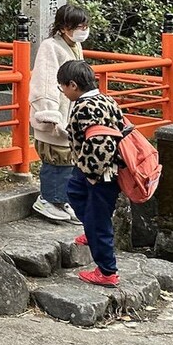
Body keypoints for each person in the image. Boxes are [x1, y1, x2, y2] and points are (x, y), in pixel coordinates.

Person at [58, 59, 126, 287]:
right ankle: (91, 231)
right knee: (74, 193)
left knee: (99, 221)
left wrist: (92, 173)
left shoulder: (85, 107)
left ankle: (107, 271)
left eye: (62, 86)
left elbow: (102, 143)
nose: (63, 91)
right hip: (94, 168)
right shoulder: (106, 99)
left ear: (73, 85)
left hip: (100, 172)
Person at [28, 3, 89, 223]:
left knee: (69, 158)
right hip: (55, 112)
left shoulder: (75, 46)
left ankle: (62, 200)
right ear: (63, 27)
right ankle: (47, 199)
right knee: (55, 157)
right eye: (78, 26)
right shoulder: (50, 47)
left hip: (70, 110)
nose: (83, 30)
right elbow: (45, 81)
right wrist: (49, 111)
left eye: (85, 26)